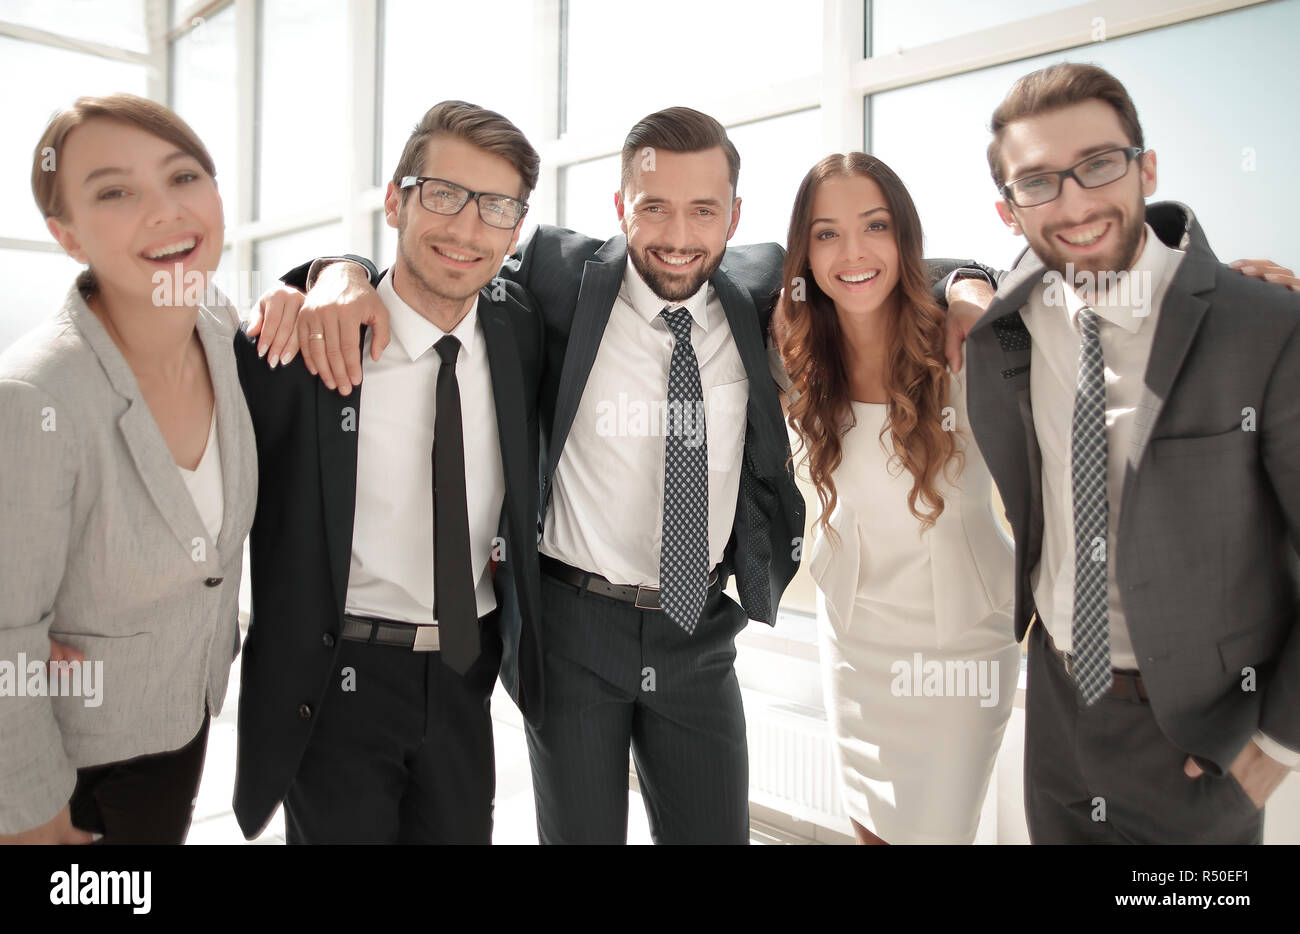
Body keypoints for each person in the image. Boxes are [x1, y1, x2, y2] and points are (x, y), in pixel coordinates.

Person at [260, 106, 1000, 844]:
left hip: (700, 630)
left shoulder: (760, 287)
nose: (679, 237)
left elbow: (880, 266)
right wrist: (337, 271)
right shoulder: (558, 275)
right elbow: (442, 260)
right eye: (654, 208)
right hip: (573, 629)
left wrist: (969, 285)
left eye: (704, 211)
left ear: (735, 215)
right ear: (620, 207)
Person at [963, 63, 1300, 843]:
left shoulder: (1264, 325)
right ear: (1009, 211)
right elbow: (885, 269)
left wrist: (1277, 747)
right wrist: (960, 286)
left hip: (1197, 734)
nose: (1075, 203)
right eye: (1039, 182)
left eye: (1099, 165)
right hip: (1056, 705)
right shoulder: (1016, 317)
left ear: (1146, 168)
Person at [230, 101, 545, 844]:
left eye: (496, 208)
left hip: (466, 676)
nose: (467, 229)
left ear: (517, 228)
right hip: (338, 680)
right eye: (443, 194)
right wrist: (323, 272)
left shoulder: (524, 331)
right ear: (395, 200)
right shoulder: (310, 345)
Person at [0, 94, 256, 844]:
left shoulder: (220, 326)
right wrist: (35, 820)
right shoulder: (37, 393)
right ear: (66, 234)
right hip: (74, 765)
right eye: (115, 191)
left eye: (183, 176)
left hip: (178, 722)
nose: (164, 210)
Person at [772, 153, 1019, 845]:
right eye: (826, 233)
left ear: (905, 237)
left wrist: (971, 283)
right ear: (806, 250)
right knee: (873, 834)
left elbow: (1059, 302)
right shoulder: (797, 349)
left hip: (963, 642)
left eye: (875, 225)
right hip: (854, 636)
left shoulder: (963, 341)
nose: (852, 252)